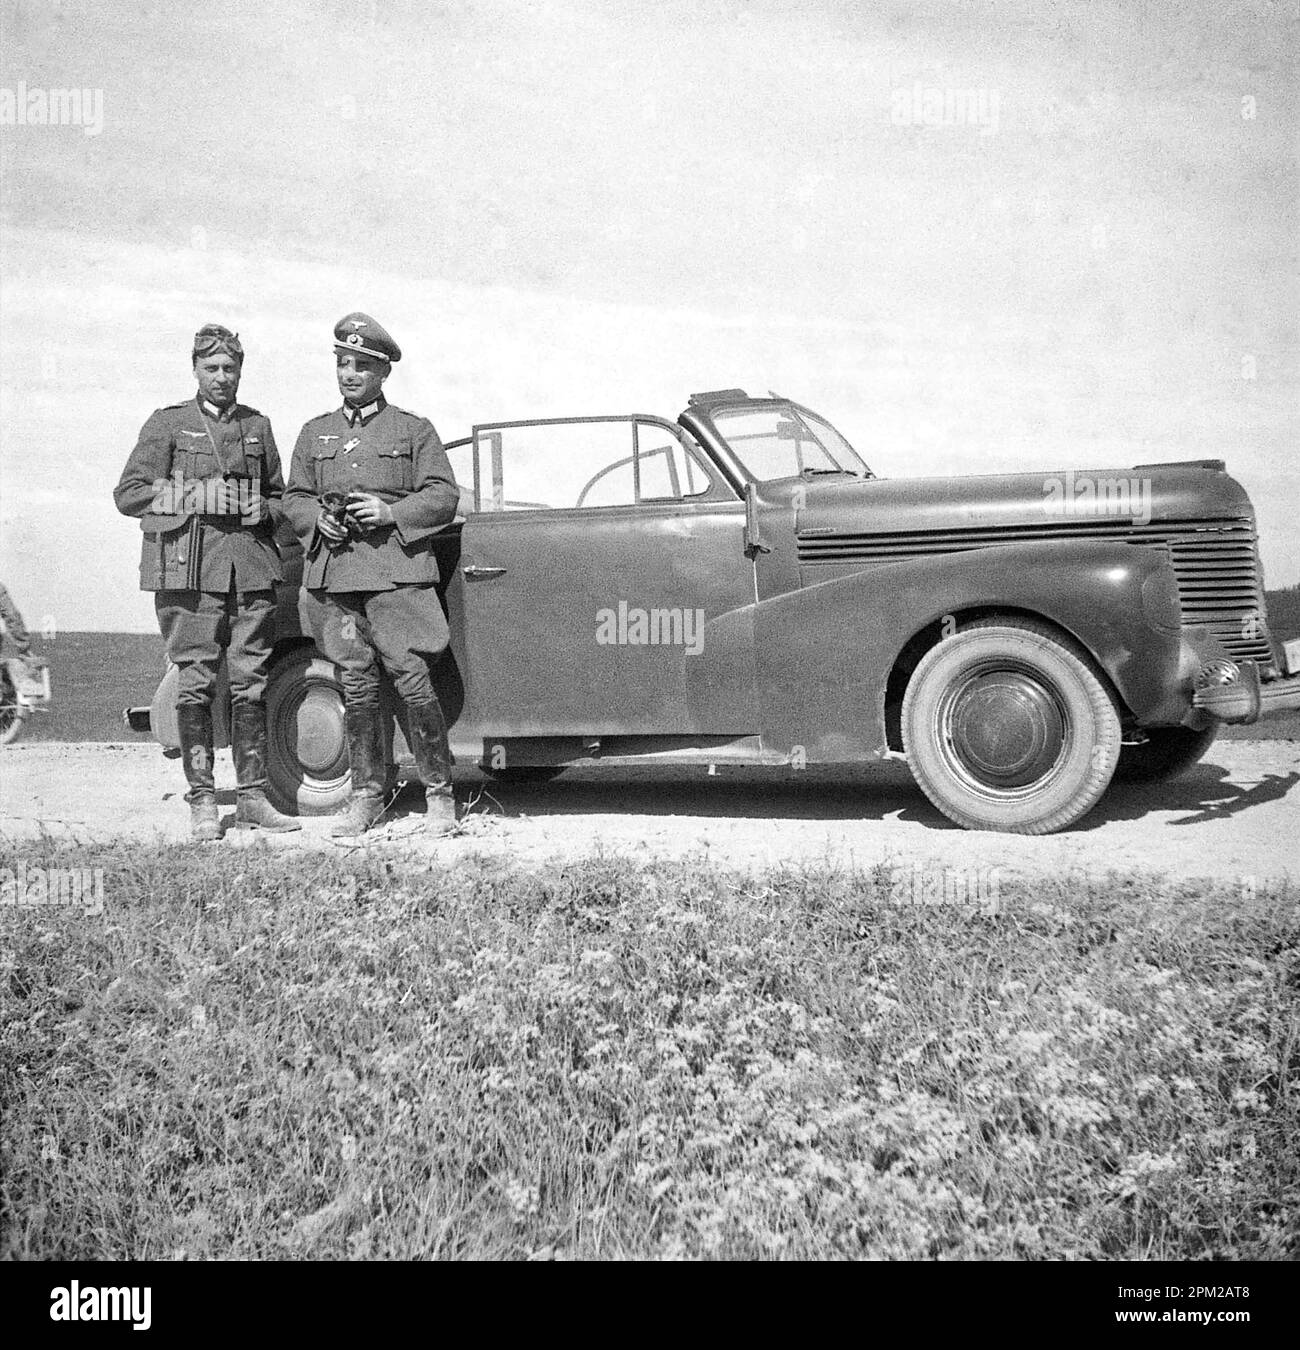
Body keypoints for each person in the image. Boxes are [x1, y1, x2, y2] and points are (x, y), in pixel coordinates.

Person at [114, 324, 300, 840]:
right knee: (195, 685)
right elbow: (128, 494)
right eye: (211, 368)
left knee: (252, 685)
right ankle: (201, 802)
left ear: (241, 370)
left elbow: (285, 499)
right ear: (195, 370)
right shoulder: (168, 424)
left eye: (230, 368)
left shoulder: (258, 426)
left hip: (252, 573)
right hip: (191, 575)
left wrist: (261, 506)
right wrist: (196, 496)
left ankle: (253, 798)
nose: (222, 377)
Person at [282, 312, 460, 837]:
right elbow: (293, 497)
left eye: (361, 365)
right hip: (335, 581)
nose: (349, 373)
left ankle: (440, 795)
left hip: (396, 578)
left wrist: (390, 515)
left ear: (383, 373)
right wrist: (318, 520)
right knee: (355, 687)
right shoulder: (316, 434)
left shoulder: (413, 430)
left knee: (412, 681)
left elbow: (442, 495)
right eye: (343, 363)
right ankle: (366, 797)